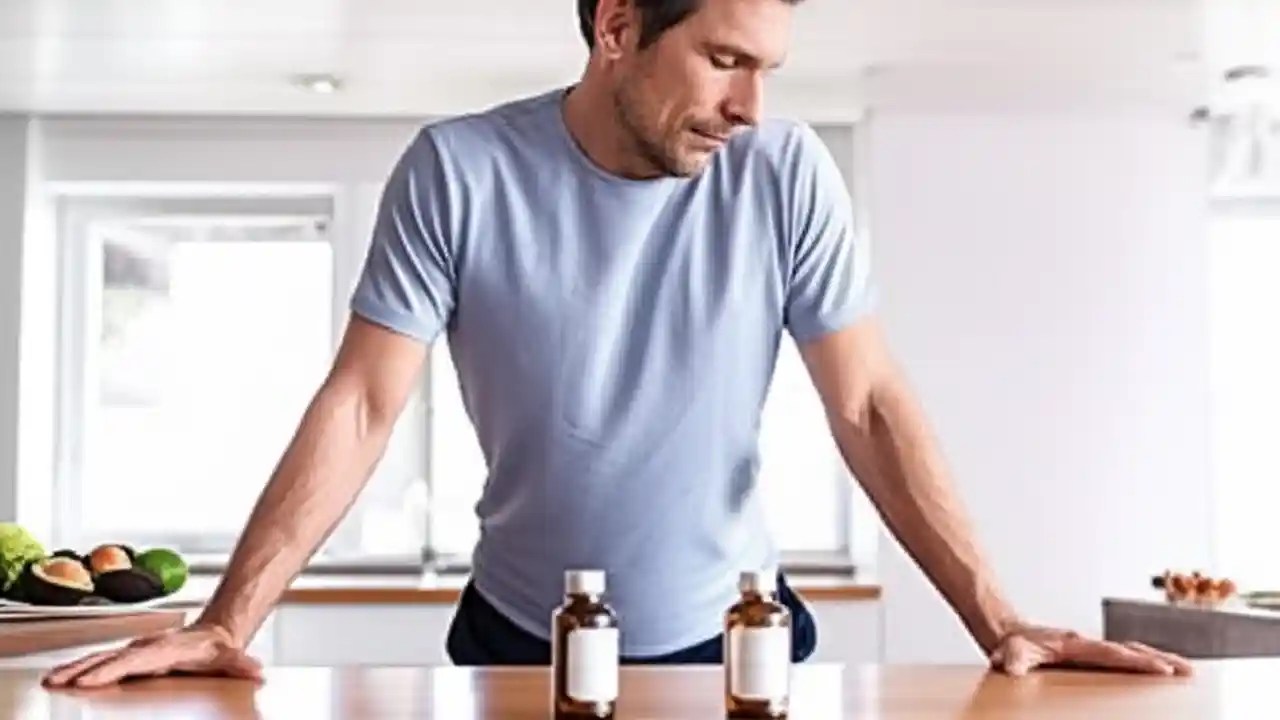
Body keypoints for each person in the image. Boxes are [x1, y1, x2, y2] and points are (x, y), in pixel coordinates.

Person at [44, 0, 1192, 688]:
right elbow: (361, 404)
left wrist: (997, 618)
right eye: (724, 60)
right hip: (513, 639)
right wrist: (223, 624)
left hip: (734, 641)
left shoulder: (782, 173)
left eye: (766, 71)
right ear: (615, 27)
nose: (749, 106)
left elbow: (867, 402)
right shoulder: (460, 169)